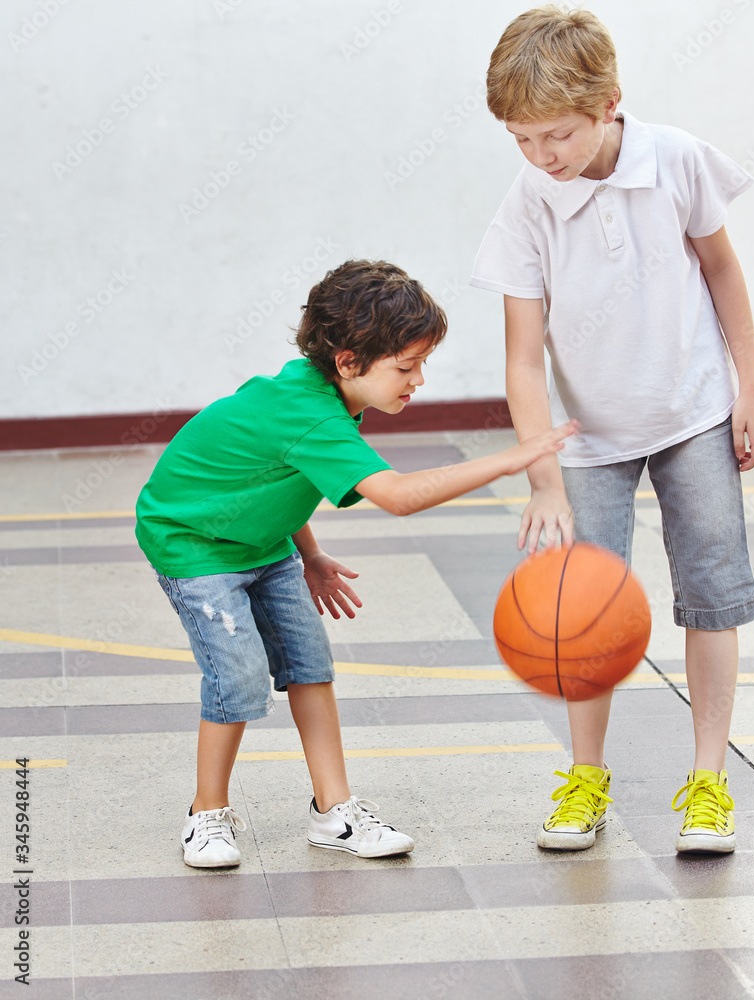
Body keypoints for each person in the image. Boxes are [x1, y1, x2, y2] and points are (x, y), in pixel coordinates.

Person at [135, 259, 577, 868]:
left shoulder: (328, 398)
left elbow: (269, 481)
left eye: (422, 363)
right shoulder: (311, 412)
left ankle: (333, 812)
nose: (419, 379)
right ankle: (206, 813)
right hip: (193, 544)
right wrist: (511, 459)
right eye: (407, 366)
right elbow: (398, 496)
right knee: (236, 679)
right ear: (347, 361)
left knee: (309, 666)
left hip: (264, 543)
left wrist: (309, 552)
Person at [470, 7, 754, 854]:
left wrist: (750, 388)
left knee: (712, 594)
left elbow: (721, 269)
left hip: (694, 413)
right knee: (585, 612)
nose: (541, 157)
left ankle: (709, 781)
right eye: (521, 140)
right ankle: (586, 777)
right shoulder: (528, 202)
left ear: (609, 104)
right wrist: (542, 473)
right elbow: (524, 359)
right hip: (586, 439)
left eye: (556, 136)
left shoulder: (674, 158)